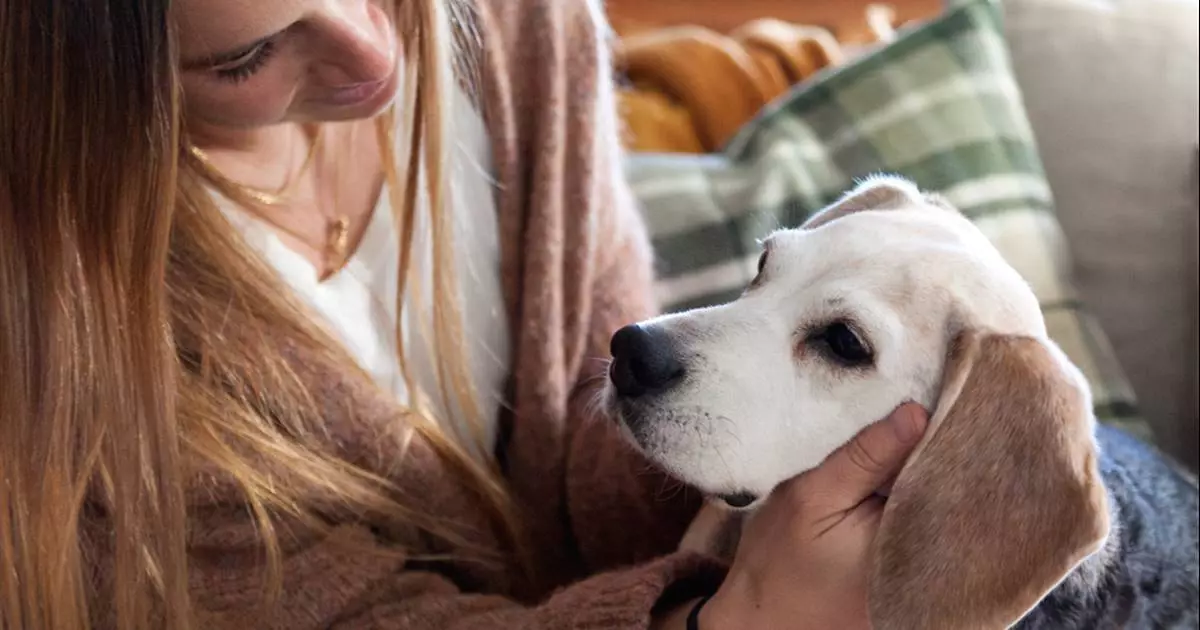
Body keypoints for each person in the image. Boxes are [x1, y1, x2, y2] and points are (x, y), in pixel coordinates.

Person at [0, 1, 929, 629]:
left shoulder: (520, 23)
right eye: (246, 56)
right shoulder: (57, 330)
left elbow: (583, 419)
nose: (376, 52)